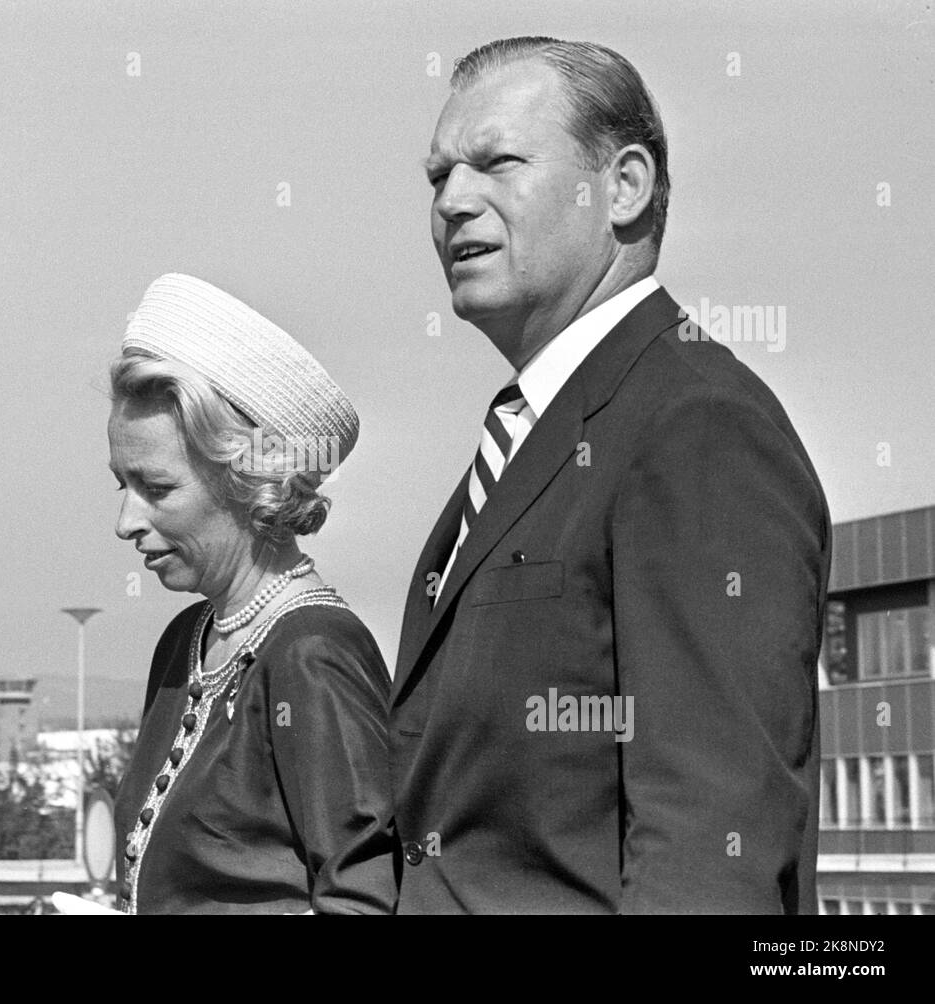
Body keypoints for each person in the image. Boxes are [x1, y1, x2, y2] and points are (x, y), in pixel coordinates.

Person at [390, 37, 830, 913]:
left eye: (496, 163)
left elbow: (710, 846)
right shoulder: (533, 432)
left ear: (622, 187)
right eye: (438, 176)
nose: (452, 202)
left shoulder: (697, 426)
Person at [108, 273, 397, 914]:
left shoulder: (313, 653)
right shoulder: (186, 640)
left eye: (156, 488)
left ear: (247, 479)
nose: (125, 521)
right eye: (120, 485)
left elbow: (364, 902)